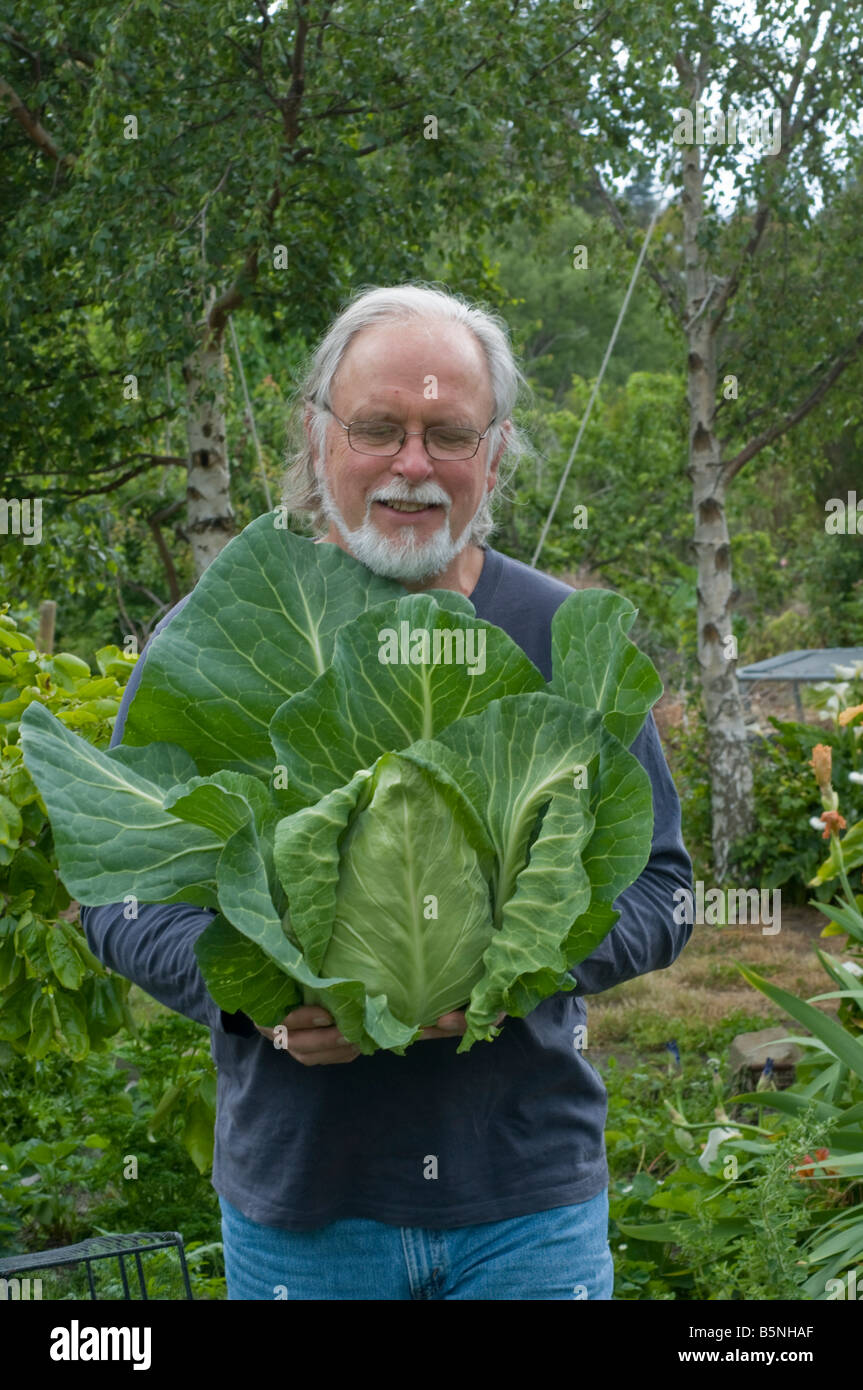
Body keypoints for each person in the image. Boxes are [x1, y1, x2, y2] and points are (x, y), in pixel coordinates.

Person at [82, 282, 693, 1301]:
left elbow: (664, 891)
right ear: (320, 436)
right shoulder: (223, 630)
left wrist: (509, 968)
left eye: (446, 433)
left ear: (492, 454)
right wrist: (257, 1004)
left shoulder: (557, 633)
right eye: (377, 428)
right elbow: (116, 880)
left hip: (524, 1206)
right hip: (305, 1212)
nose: (411, 465)